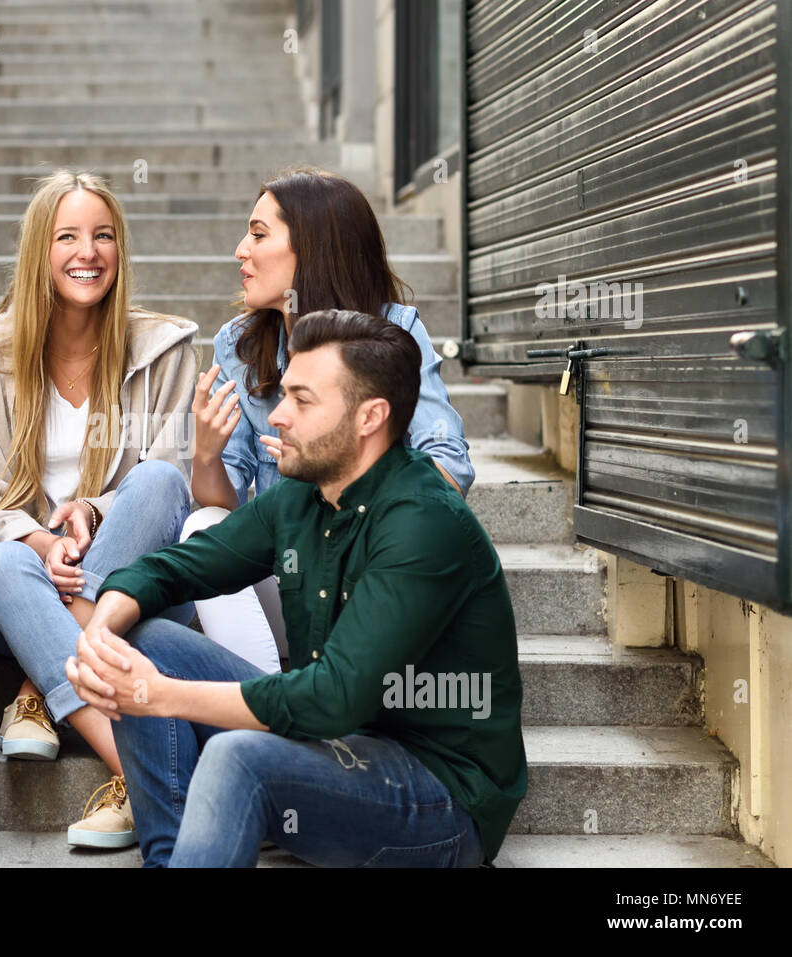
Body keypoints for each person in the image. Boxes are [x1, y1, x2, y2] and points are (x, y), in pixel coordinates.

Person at [65, 310, 527, 867]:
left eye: (302, 401)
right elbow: (177, 568)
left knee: (238, 758)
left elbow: (331, 698)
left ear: (370, 417)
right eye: (284, 395)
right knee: (138, 638)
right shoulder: (305, 495)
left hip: (438, 799)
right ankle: (171, 858)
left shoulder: (422, 523)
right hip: (335, 750)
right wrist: (101, 626)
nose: (277, 416)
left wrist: (159, 694)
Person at [0, 170, 198, 849]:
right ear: (40, 250)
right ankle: (143, 772)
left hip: (135, 588)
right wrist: (39, 541)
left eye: (104, 236)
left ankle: (39, 682)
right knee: (0, 563)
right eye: (68, 236)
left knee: (153, 482)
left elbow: (173, 476)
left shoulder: (166, 348)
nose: (87, 252)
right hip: (23, 587)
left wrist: (92, 511)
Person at [186, 168, 473, 675]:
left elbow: (449, 467)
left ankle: (288, 712)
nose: (240, 251)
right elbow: (227, 506)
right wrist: (207, 454)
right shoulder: (239, 344)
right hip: (295, 579)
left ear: (311, 248)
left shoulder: (395, 332)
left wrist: (335, 471)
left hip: (375, 579)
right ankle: (270, 707)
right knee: (201, 527)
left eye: (257, 234)